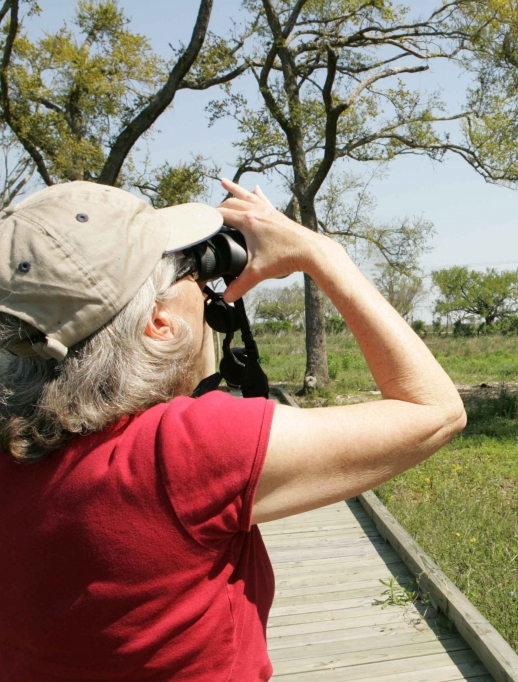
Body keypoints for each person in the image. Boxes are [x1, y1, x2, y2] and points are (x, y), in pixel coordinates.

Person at [0, 179, 466, 680]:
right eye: (189, 271)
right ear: (158, 322)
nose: (206, 286)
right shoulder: (180, 453)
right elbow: (435, 410)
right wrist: (320, 252)